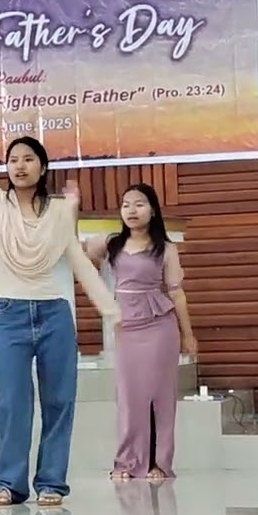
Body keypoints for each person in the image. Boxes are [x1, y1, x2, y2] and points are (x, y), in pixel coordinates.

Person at [0, 89, 119, 508]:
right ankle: (10, 482)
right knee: (11, 403)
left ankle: (51, 481)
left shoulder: (59, 210)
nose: (19, 165)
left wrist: (108, 307)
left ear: (42, 166)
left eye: (28, 159)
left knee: (59, 400)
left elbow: (80, 263)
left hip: (54, 312)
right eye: (13, 160)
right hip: (8, 312)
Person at [85, 183, 196, 481]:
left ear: (153, 210)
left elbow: (177, 293)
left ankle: (159, 463)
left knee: (160, 395)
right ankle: (127, 462)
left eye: (139, 204)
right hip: (126, 326)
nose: (132, 210)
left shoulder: (166, 248)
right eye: (126, 205)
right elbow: (83, 258)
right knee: (130, 396)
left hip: (160, 325)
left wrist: (188, 335)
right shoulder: (112, 244)